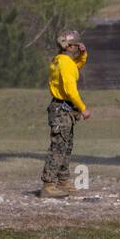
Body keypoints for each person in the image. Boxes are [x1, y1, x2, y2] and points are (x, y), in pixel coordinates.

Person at [41, 30, 90, 199]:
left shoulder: (60, 60)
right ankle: (48, 184)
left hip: (63, 109)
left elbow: (76, 67)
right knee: (58, 147)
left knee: (66, 146)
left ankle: (63, 181)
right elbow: (70, 89)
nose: (78, 47)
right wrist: (83, 108)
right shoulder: (65, 63)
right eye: (76, 45)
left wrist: (83, 54)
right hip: (62, 109)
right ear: (69, 46)